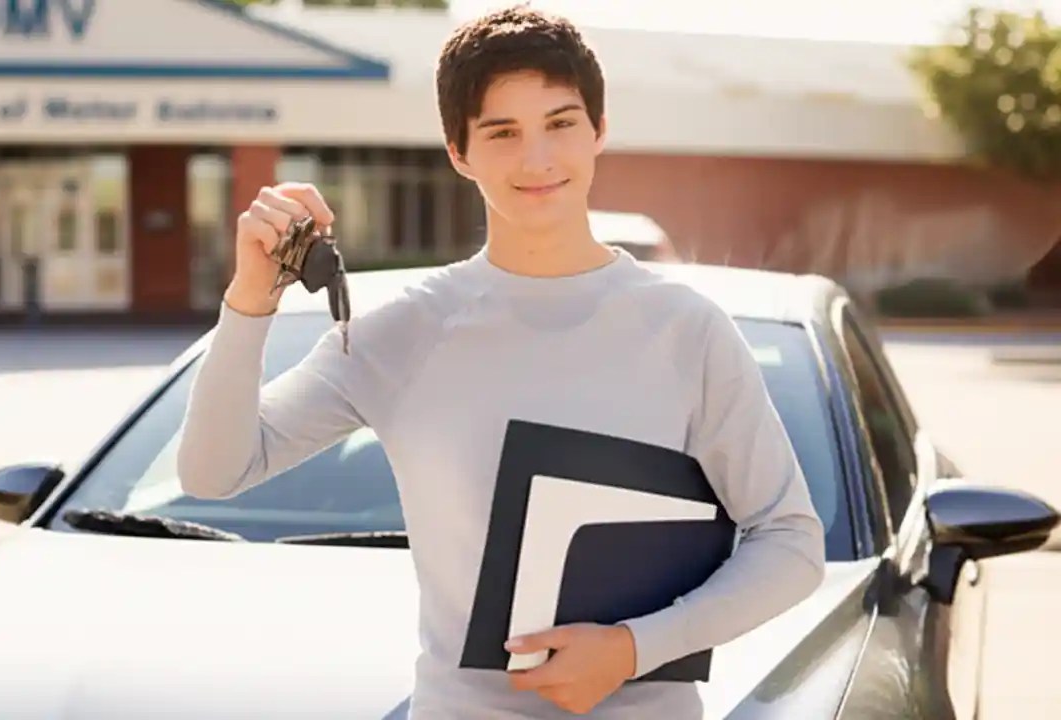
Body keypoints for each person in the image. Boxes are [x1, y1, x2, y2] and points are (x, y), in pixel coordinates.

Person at [177, 4, 825, 718]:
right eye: (503, 132)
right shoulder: (400, 332)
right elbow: (214, 470)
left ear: (599, 130)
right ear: (459, 153)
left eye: (560, 123)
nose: (537, 159)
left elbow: (790, 542)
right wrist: (249, 299)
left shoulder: (687, 330)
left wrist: (634, 648)